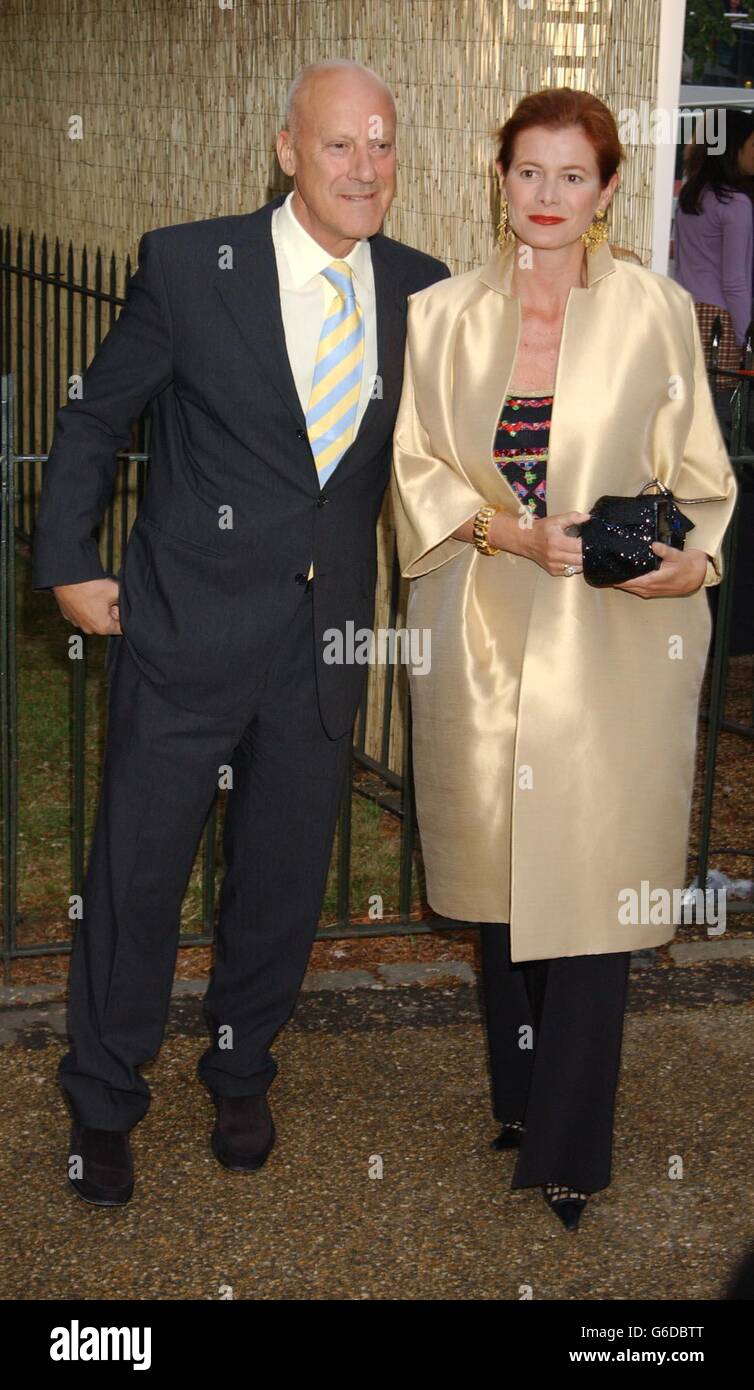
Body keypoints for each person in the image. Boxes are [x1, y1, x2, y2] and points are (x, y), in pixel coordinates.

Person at [31, 59, 449, 1206]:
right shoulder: (187, 262)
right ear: (285, 151)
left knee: (278, 878)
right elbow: (95, 414)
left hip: (319, 644)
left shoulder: (424, 289)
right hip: (182, 630)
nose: (365, 168)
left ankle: (241, 1065)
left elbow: (447, 455)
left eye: (381, 144)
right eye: (338, 146)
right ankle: (104, 1095)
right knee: (137, 876)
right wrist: (69, 558)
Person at [391, 87, 737, 1231]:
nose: (546, 196)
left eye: (571, 177)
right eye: (528, 172)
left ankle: (571, 1146)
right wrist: (506, 530)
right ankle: (520, 1093)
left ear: (604, 192)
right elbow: (420, 469)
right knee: (499, 878)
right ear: (500, 176)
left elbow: (700, 483)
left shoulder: (654, 310)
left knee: (586, 885)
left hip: (614, 637)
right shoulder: (440, 314)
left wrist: (693, 566)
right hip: (484, 623)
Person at [673, 109, 754, 377]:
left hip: (684, 313)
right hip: (721, 320)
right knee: (723, 412)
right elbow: (734, 280)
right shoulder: (735, 203)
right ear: (734, 148)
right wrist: (746, 336)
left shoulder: (691, 196)